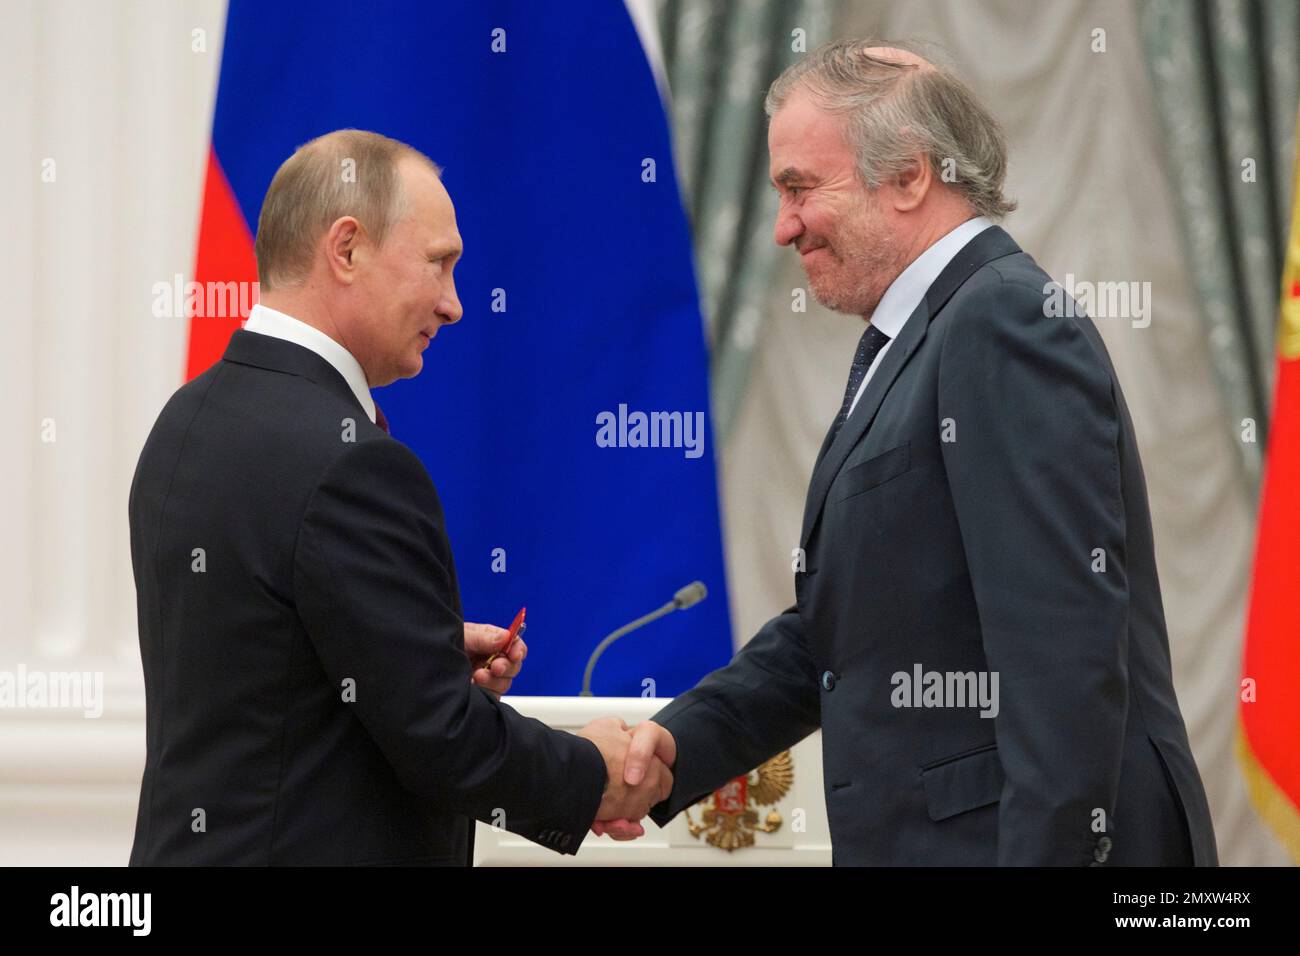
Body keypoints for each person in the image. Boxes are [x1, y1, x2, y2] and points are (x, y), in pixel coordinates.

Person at [602, 41, 1219, 866]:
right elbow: (842, 630)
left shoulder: (1002, 324)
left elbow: (1060, 658)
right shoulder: (923, 341)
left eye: (798, 188)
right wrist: (679, 747)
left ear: (910, 177)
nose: (783, 226)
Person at [127, 129, 668, 865]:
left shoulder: (184, 419)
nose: (454, 306)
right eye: (440, 264)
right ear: (346, 249)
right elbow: (442, 741)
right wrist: (593, 773)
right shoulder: (350, 462)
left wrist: (420, 655)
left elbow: (277, 677)